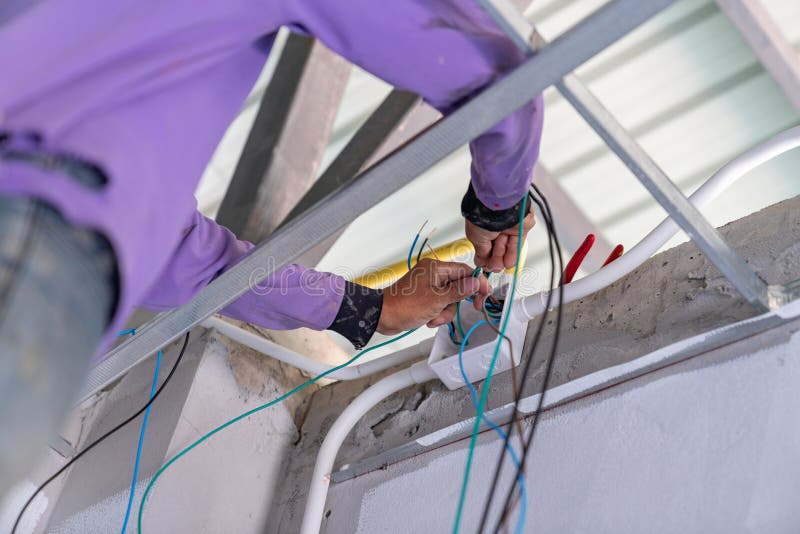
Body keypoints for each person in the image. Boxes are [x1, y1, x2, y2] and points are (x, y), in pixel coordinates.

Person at [0, 0, 542, 494]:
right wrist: (497, 205)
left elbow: (192, 260)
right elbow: (498, 76)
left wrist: (368, 308)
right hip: (40, 210)